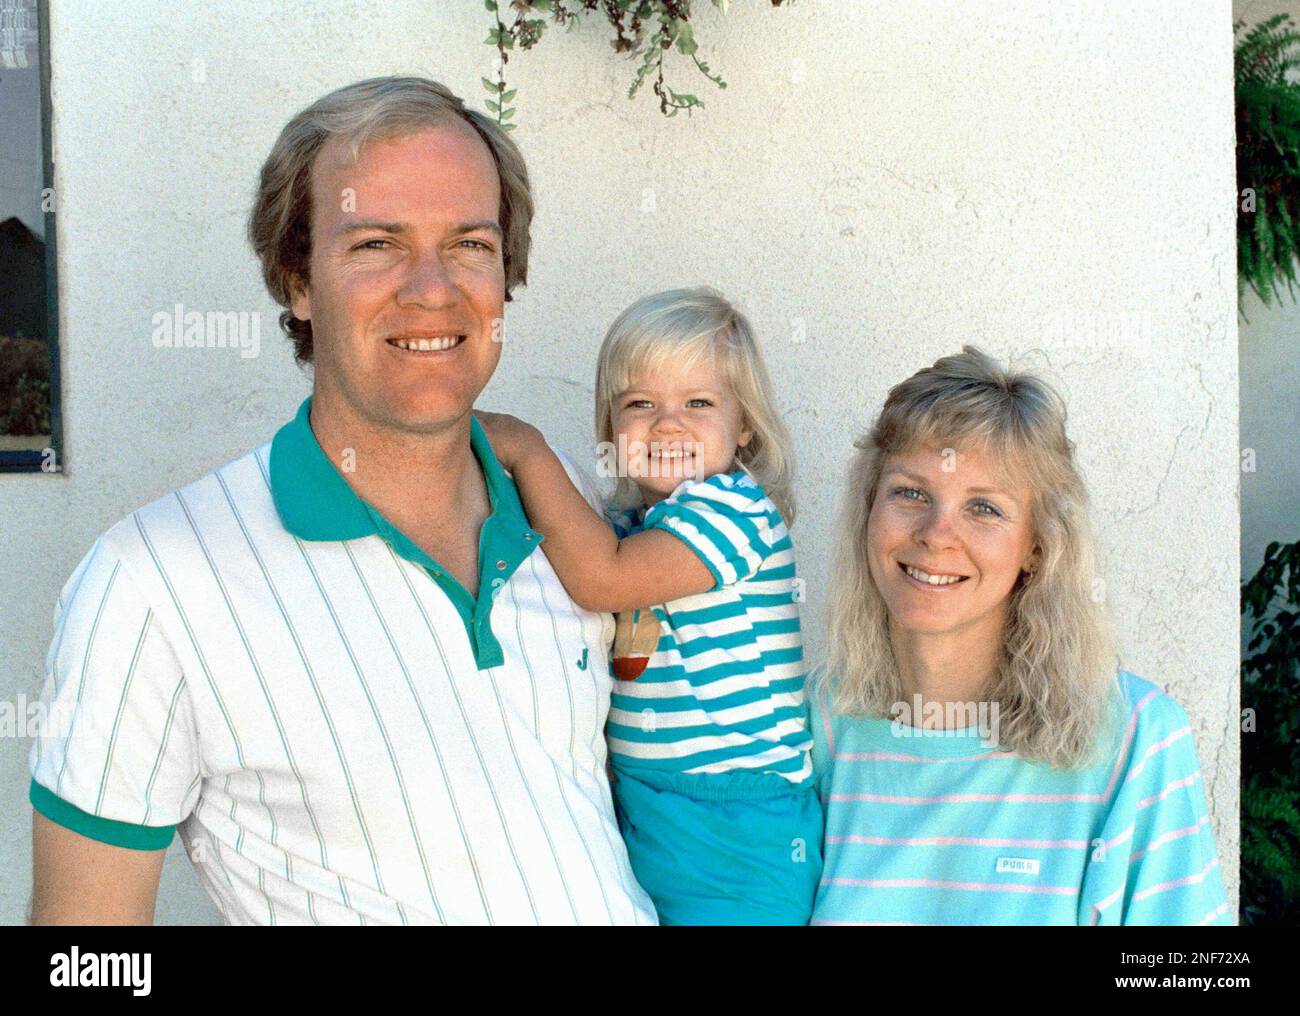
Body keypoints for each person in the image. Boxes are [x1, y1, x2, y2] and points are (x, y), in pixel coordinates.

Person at [27, 76, 655, 925]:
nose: (432, 289)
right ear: (297, 280)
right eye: (375, 245)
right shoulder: (153, 583)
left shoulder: (560, 512)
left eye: (470, 243)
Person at [810, 346, 1231, 925]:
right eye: (910, 492)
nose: (937, 535)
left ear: (1037, 546)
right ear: (868, 510)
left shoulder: (1133, 739)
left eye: (983, 508)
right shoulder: (815, 726)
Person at [476, 287, 822, 925]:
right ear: (612, 427)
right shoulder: (635, 522)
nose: (668, 424)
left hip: (737, 822)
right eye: (641, 403)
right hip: (645, 801)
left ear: (743, 424)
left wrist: (527, 452)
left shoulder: (733, 510)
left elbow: (603, 581)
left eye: (698, 402)